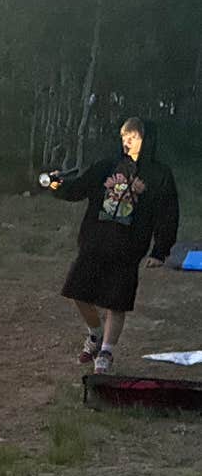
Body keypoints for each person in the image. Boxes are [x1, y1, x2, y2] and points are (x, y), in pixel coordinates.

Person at [48, 117, 178, 374]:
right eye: (124, 137)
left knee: (116, 302)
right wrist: (56, 185)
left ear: (147, 140)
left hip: (128, 248)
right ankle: (95, 334)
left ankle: (106, 352)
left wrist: (160, 250)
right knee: (77, 292)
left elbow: (168, 213)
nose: (127, 142)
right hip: (95, 242)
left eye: (133, 137)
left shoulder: (159, 175)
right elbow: (78, 188)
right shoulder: (106, 166)